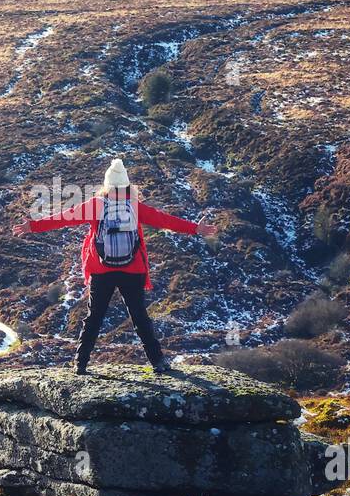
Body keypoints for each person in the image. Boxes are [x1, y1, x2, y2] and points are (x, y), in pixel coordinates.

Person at [12, 158, 218, 374]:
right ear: (127, 185)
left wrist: (33, 226)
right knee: (140, 317)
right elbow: (164, 220)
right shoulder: (135, 207)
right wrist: (195, 229)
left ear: (106, 185)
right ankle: (158, 362)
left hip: (102, 270)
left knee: (94, 318)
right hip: (133, 269)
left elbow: (64, 218)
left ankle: (80, 364)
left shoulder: (96, 205)